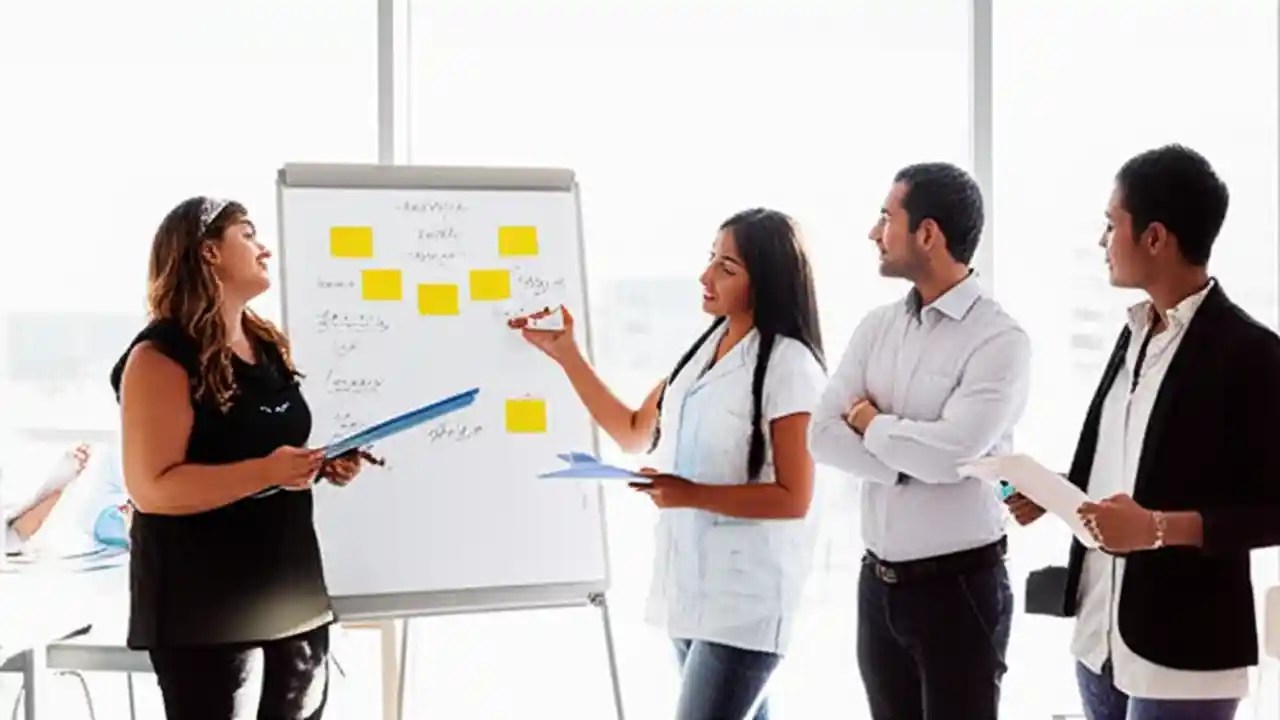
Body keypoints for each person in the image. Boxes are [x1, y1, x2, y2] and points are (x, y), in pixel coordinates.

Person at [514, 208, 826, 720]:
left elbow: (796, 497)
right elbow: (634, 431)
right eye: (710, 259)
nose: (706, 277)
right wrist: (566, 354)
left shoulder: (790, 366)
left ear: (765, 280)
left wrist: (690, 492)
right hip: (690, 592)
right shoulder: (702, 352)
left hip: (746, 603)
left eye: (727, 268)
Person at [1008, 144, 1280, 720]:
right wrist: (1057, 490)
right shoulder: (1132, 333)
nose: (1102, 241)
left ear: (1155, 237)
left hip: (1186, 652)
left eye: (1111, 225)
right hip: (1099, 635)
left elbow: (1271, 510)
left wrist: (1155, 530)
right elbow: (1132, 466)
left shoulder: (1252, 353)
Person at [111, 196, 372, 719]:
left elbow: (260, 456)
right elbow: (152, 489)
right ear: (208, 252)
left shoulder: (265, 344)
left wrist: (315, 466)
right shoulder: (159, 356)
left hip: (293, 601)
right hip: (205, 615)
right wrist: (270, 470)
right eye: (248, 235)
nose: (265, 249)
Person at [809, 162, 1030, 720]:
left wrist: (870, 423)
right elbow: (821, 435)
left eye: (887, 218)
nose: (873, 232)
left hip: (959, 590)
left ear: (927, 234)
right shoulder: (875, 327)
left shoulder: (999, 339)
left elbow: (954, 454)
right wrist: (905, 464)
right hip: (876, 586)